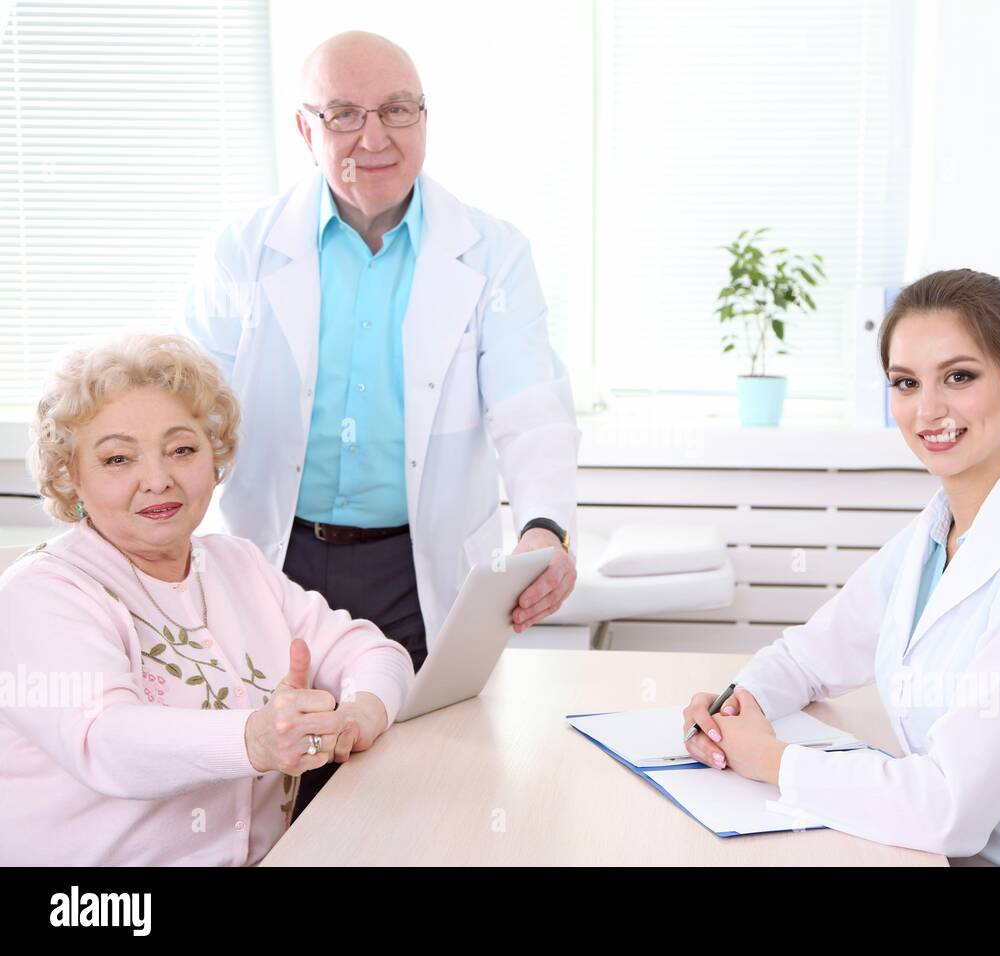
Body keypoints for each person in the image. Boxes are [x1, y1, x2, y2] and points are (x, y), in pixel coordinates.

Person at [181, 31, 580, 814]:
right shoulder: (243, 251)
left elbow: (531, 405)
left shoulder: (492, 254)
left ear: (425, 116)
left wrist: (543, 530)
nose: (375, 137)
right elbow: (189, 408)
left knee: (419, 789)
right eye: (343, 115)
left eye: (397, 110)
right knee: (277, 784)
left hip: (415, 569)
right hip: (275, 556)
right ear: (305, 130)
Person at [682, 269, 1000, 866]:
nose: (928, 410)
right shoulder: (933, 536)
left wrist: (767, 757)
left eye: (959, 377)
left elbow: (950, 810)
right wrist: (736, 708)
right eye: (906, 383)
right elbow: (806, 657)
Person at [0, 334, 414, 865]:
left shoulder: (235, 565)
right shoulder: (41, 595)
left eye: (182, 450)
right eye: (119, 458)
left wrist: (358, 717)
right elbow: (106, 741)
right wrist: (256, 739)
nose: (158, 479)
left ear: (214, 457)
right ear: (70, 476)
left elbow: (374, 652)